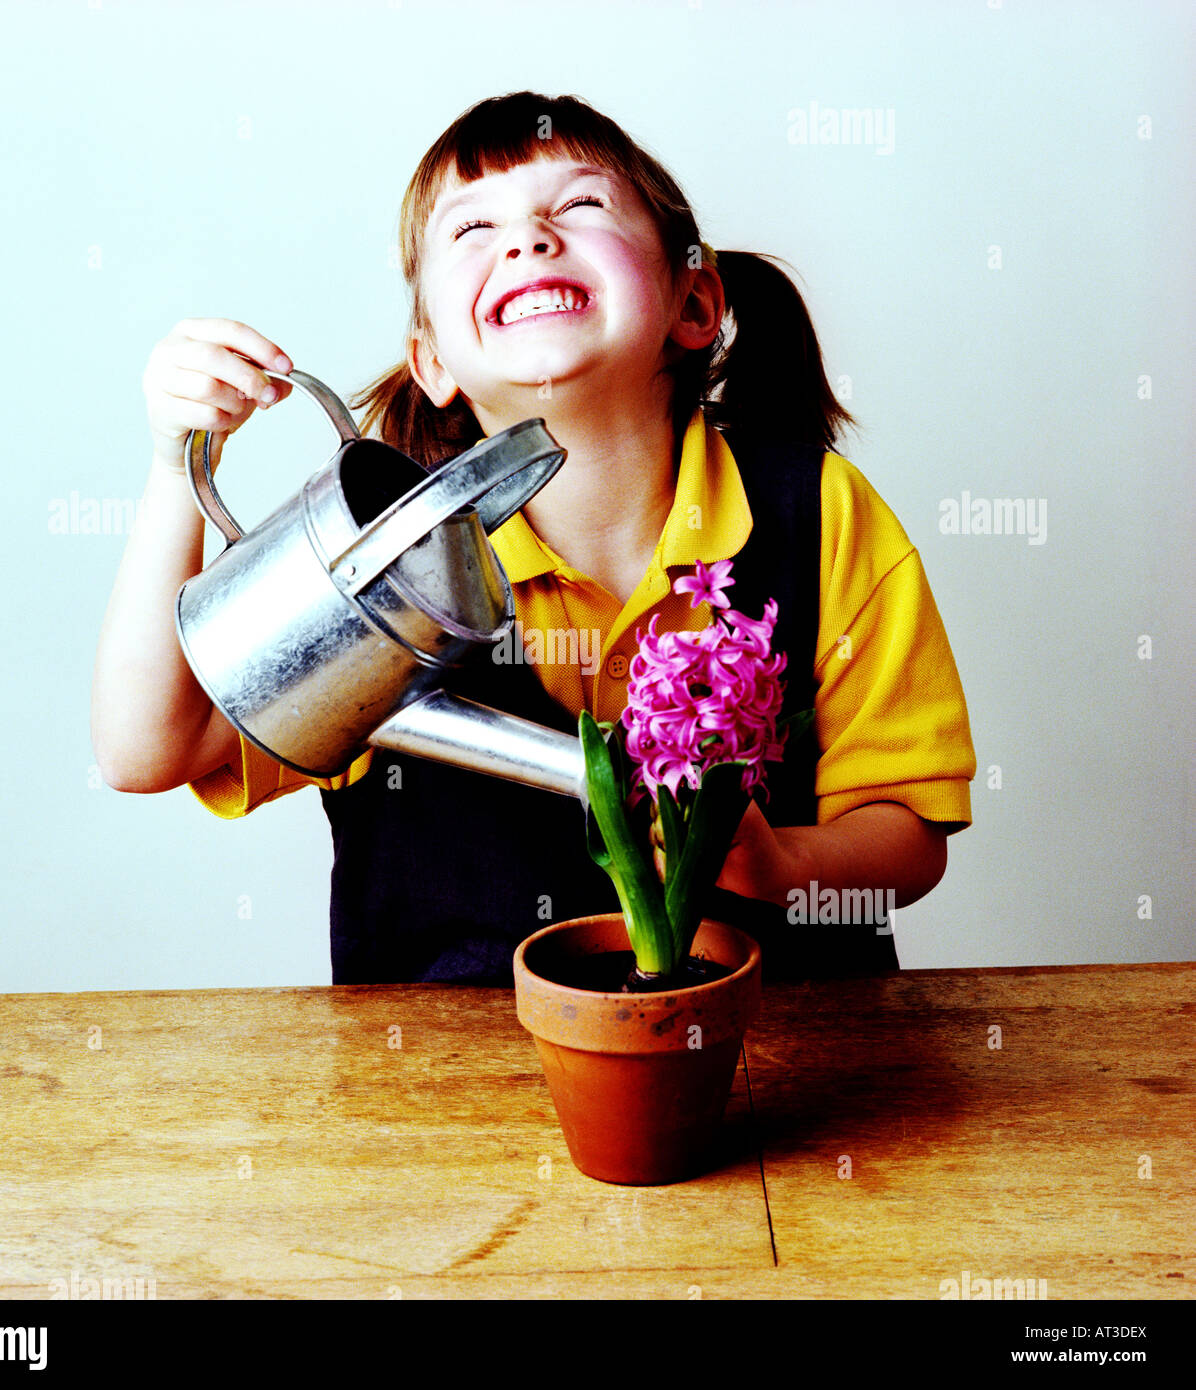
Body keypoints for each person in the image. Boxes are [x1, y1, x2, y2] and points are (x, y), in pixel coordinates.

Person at [92, 91, 976, 985]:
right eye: (471, 229)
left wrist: (782, 868)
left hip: (781, 1079)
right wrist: (176, 473)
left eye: (581, 206)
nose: (525, 239)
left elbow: (908, 836)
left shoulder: (818, 510)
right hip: (446, 1096)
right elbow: (148, 750)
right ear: (432, 359)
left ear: (696, 303)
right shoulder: (379, 563)